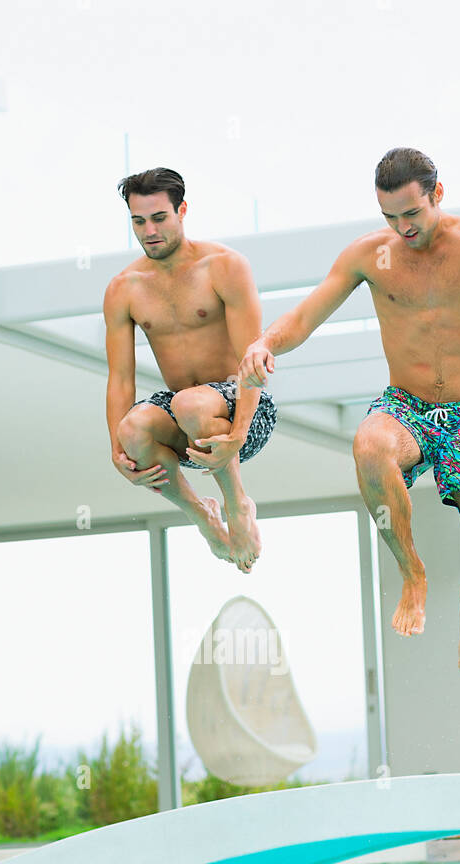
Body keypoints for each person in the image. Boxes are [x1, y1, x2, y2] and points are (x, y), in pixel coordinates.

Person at [238, 148, 460, 671]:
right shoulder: (369, 255)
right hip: (406, 408)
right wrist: (266, 344)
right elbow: (304, 317)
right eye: (389, 217)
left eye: (411, 214)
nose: (402, 228)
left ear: (437, 194)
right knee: (370, 445)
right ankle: (412, 572)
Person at [104, 167, 277, 573]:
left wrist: (237, 434)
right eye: (138, 221)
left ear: (182, 211)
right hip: (183, 413)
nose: (149, 231)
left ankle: (236, 504)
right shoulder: (123, 288)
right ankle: (202, 515)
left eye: (159, 218)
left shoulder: (224, 266)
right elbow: (121, 379)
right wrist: (117, 450)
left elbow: (251, 362)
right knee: (132, 429)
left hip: (244, 408)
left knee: (192, 404)